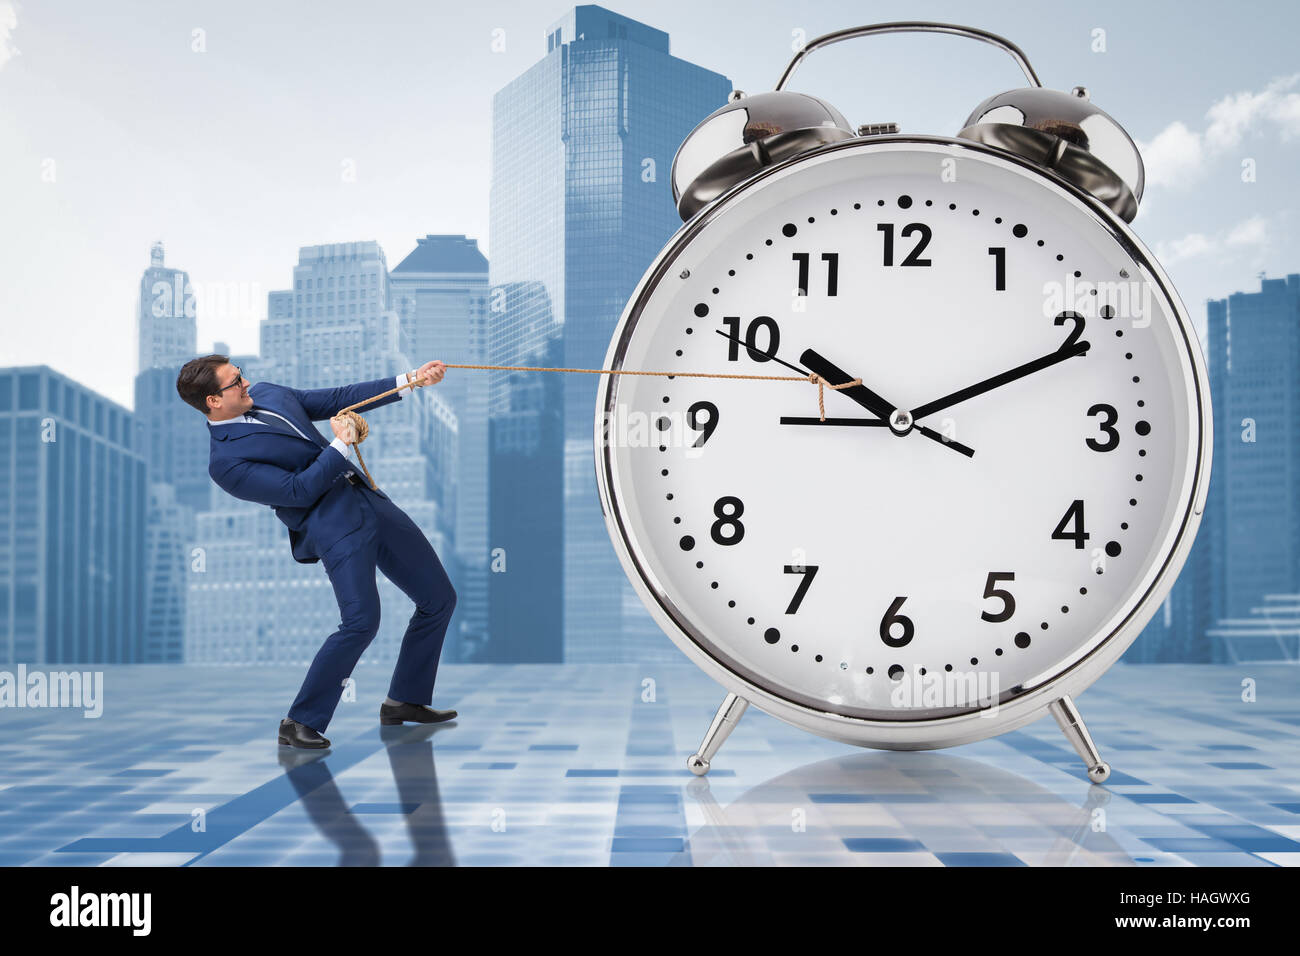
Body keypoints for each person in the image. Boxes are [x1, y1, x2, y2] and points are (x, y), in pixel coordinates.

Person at [176, 355, 458, 749]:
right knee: (361, 621)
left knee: (439, 598)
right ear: (213, 402)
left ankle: (405, 700)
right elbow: (298, 491)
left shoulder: (268, 393)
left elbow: (338, 398)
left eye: (240, 375)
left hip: (368, 500)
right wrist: (342, 442)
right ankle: (299, 722)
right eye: (234, 383)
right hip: (333, 526)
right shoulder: (226, 463)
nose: (246, 383)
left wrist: (411, 380)